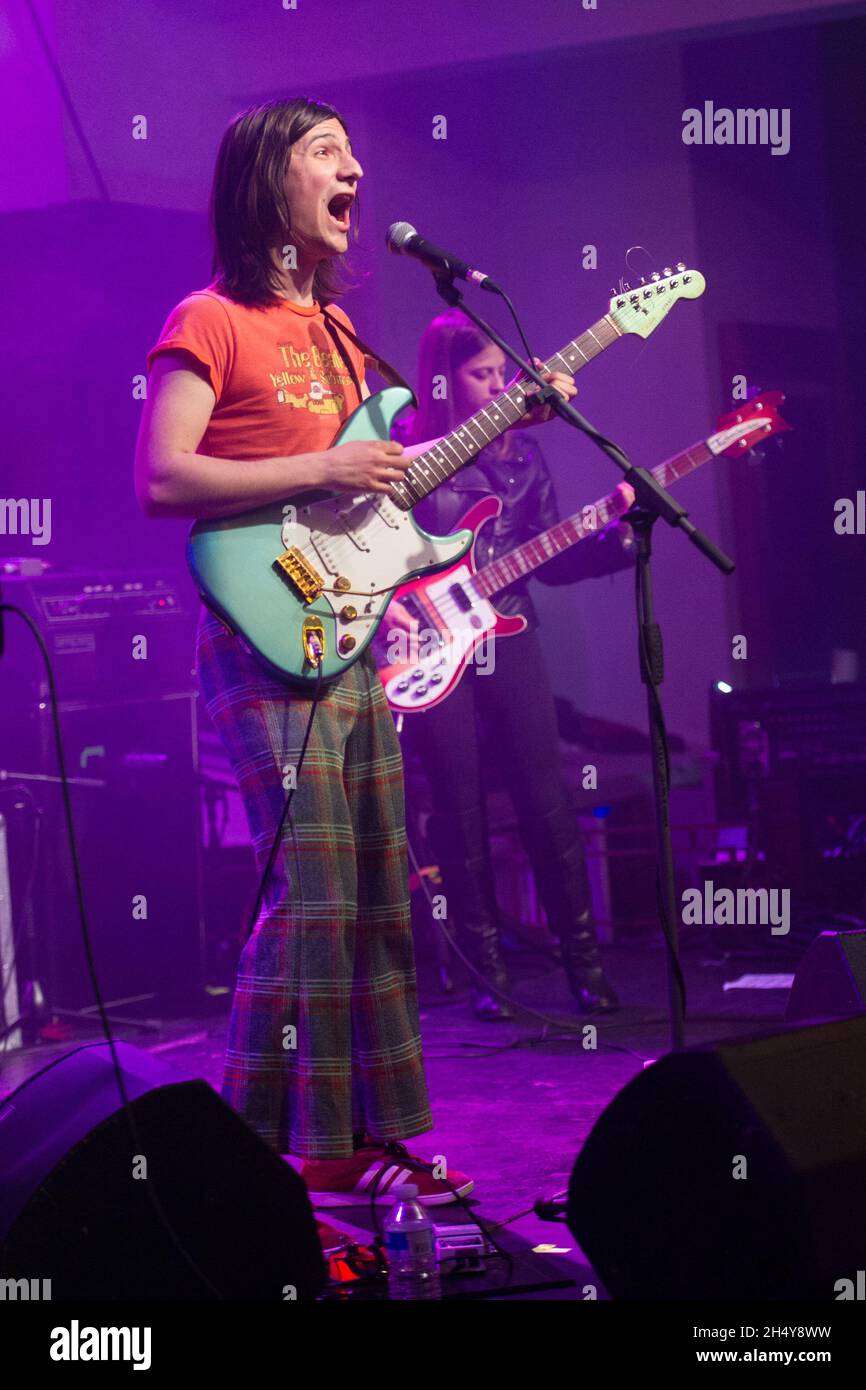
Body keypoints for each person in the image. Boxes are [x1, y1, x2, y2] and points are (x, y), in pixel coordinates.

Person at [134, 99, 577, 1203]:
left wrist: (507, 418)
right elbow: (163, 477)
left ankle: (365, 1139)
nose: (355, 168)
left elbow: (384, 484)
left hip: (348, 635)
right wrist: (319, 474)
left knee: (382, 888)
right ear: (263, 183)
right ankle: (249, 1159)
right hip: (262, 633)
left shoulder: (341, 340)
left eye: (350, 152)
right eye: (324, 151)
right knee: (315, 890)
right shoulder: (210, 317)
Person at [384, 309, 635, 1021]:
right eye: (481, 373)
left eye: (502, 372)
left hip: (508, 630)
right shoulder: (407, 451)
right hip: (431, 643)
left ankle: (584, 965)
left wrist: (613, 539)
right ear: (444, 377)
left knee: (543, 797)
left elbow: (547, 565)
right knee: (456, 808)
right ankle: (486, 974)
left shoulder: (525, 458)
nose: (498, 385)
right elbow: (378, 551)